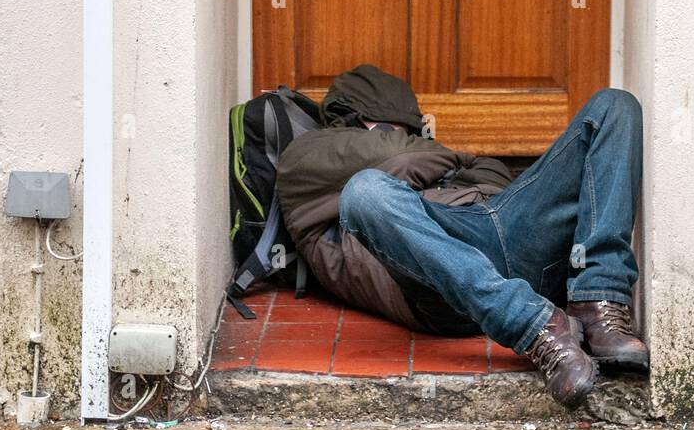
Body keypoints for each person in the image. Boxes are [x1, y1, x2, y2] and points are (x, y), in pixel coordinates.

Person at [276, 64, 647, 411]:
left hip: (497, 225)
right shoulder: (306, 155)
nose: (413, 139)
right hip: (437, 277)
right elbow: (400, 158)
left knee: (614, 105)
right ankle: (536, 328)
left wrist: (441, 163)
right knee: (365, 191)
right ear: (364, 122)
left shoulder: (417, 156)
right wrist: (454, 159)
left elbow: (496, 177)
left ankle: (598, 304)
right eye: (399, 130)